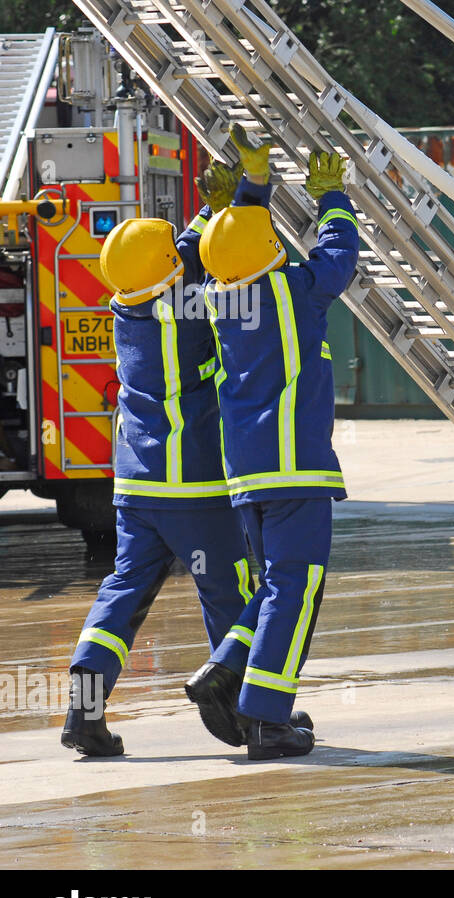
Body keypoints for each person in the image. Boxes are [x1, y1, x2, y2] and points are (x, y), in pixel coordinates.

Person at [61, 160, 253, 756]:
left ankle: (82, 714)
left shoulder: (127, 306)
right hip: (194, 485)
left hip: (137, 488)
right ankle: (236, 703)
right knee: (231, 593)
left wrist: (204, 216)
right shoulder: (186, 307)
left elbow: (173, 263)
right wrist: (239, 202)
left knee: (122, 594)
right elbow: (197, 264)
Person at [192, 128, 357, 759]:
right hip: (296, 468)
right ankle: (265, 717)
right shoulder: (293, 289)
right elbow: (338, 254)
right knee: (298, 584)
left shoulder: (215, 296)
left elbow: (232, 245)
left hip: (247, 474)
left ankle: (226, 671)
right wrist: (333, 197)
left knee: (277, 582)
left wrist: (248, 191)